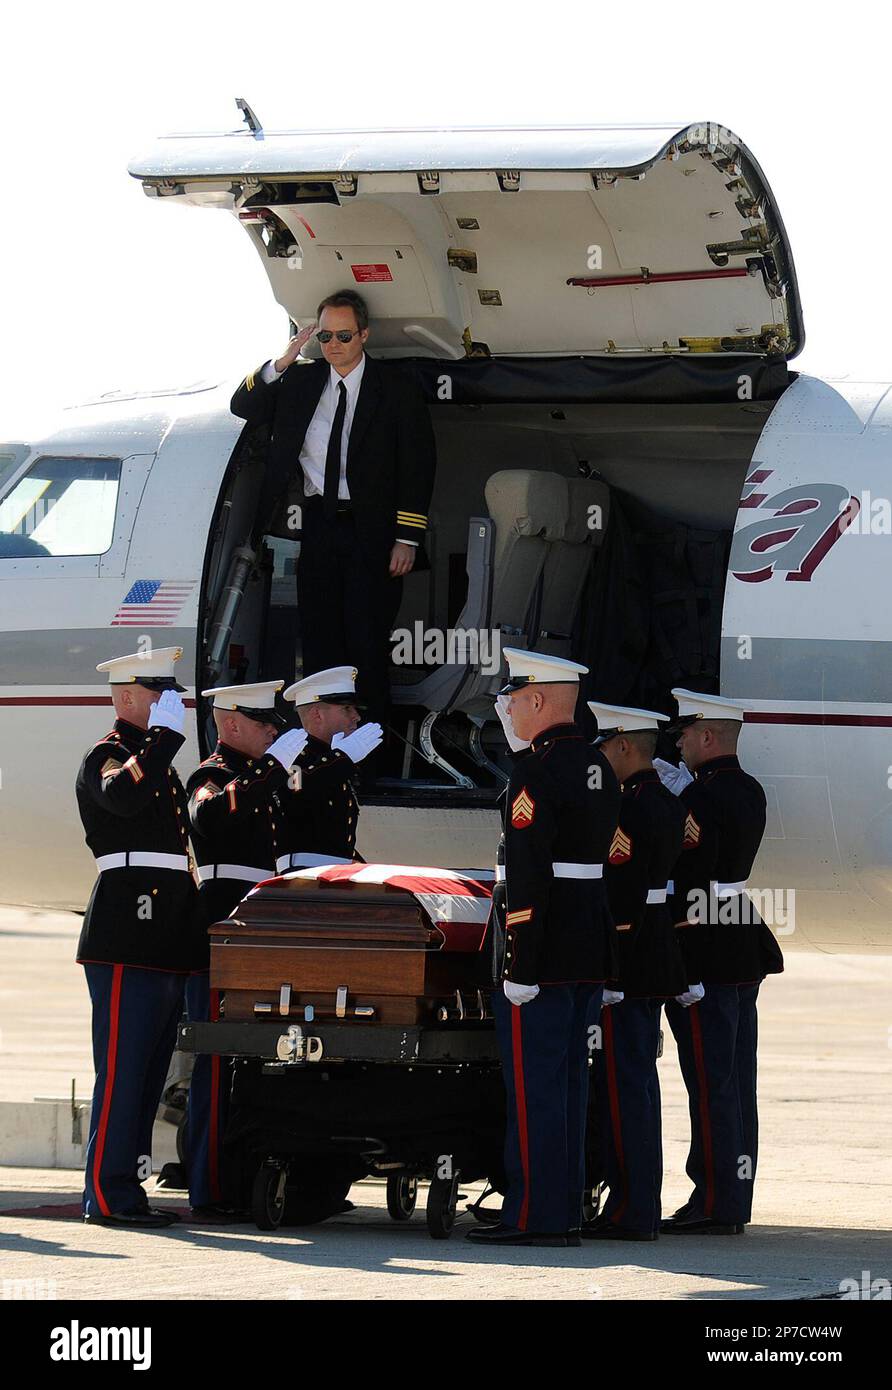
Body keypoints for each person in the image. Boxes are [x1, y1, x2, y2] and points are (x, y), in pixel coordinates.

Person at [466, 648, 620, 1248]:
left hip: (545, 952)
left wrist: (520, 961)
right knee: (570, 1088)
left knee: (534, 1089)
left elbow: (529, 875)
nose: (504, 710)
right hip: (587, 948)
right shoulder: (600, 766)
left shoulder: (536, 772)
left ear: (536, 700)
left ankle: (534, 1216)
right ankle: (566, 1209)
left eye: (511, 699)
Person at [230, 288, 437, 733]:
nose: (333, 345)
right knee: (322, 646)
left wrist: (407, 537)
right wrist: (282, 361)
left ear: (364, 334)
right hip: (320, 525)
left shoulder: (395, 387)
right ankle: (327, 748)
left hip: (375, 533)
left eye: (343, 335)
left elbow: (418, 464)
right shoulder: (301, 382)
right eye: (324, 337)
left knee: (366, 644)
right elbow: (242, 406)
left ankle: (369, 749)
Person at [76, 646, 206, 1228]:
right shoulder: (109, 755)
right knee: (123, 1072)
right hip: (128, 932)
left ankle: (127, 1187)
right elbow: (121, 799)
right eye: (158, 694)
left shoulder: (155, 760)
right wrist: (164, 743)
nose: (167, 704)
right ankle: (107, 1195)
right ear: (127, 696)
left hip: (162, 935)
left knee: (149, 1074)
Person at [662, 688, 784, 1235]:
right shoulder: (749, 789)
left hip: (704, 946)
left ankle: (712, 1200)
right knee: (737, 1081)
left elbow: (690, 880)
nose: (681, 743)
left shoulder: (698, 799)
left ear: (707, 736)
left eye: (685, 734)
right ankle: (733, 1198)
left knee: (710, 1080)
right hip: (739, 937)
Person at [184, 681, 306, 1220]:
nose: (274, 731)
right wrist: (273, 770)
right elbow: (209, 817)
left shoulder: (260, 782)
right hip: (222, 929)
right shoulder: (212, 776)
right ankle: (210, 1188)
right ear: (231, 724)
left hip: (257, 930)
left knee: (253, 1064)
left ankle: (241, 1175)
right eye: (264, 723)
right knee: (217, 1063)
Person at [583, 701, 688, 1241]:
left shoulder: (626, 807)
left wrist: (609, 970)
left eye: (604, 747)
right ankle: (640, 1203)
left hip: (630, 958)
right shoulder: (669, 801)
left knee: (625, 1088)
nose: (600, 757)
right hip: (658, 952)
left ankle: (630, 1210)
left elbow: (621, 895)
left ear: (625, 746)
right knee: (640, 1086)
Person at [276, 666, 383, 869]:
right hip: (302, 878)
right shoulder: (292, 756)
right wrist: (342, 758)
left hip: (332, 876)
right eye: (346, 709)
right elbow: (296, 793)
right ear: (317, 714)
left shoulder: (332, 761)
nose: (356, 717)